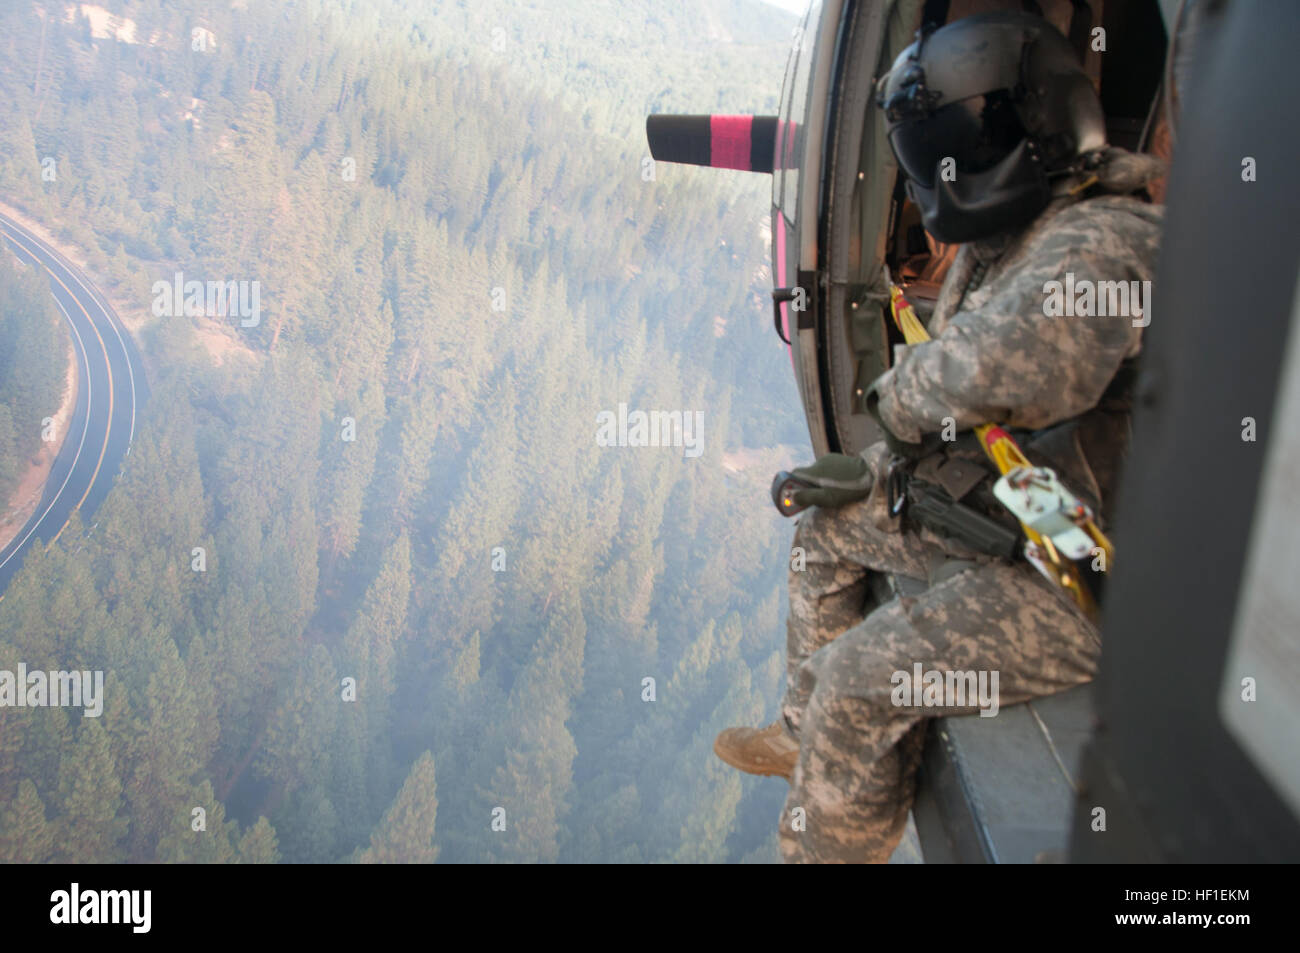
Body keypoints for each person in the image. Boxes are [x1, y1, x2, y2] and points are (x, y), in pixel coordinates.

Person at [713, 11, 1166, 863]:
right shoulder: (1022, 232)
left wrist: (892, 408)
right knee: (825, 532)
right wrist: (876, 473)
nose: (937, 177)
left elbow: (983, 375)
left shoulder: (1106, 247)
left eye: (946, 152)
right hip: (1030, 510)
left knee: (858, 681)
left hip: (1092, 578)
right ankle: (802, 731)